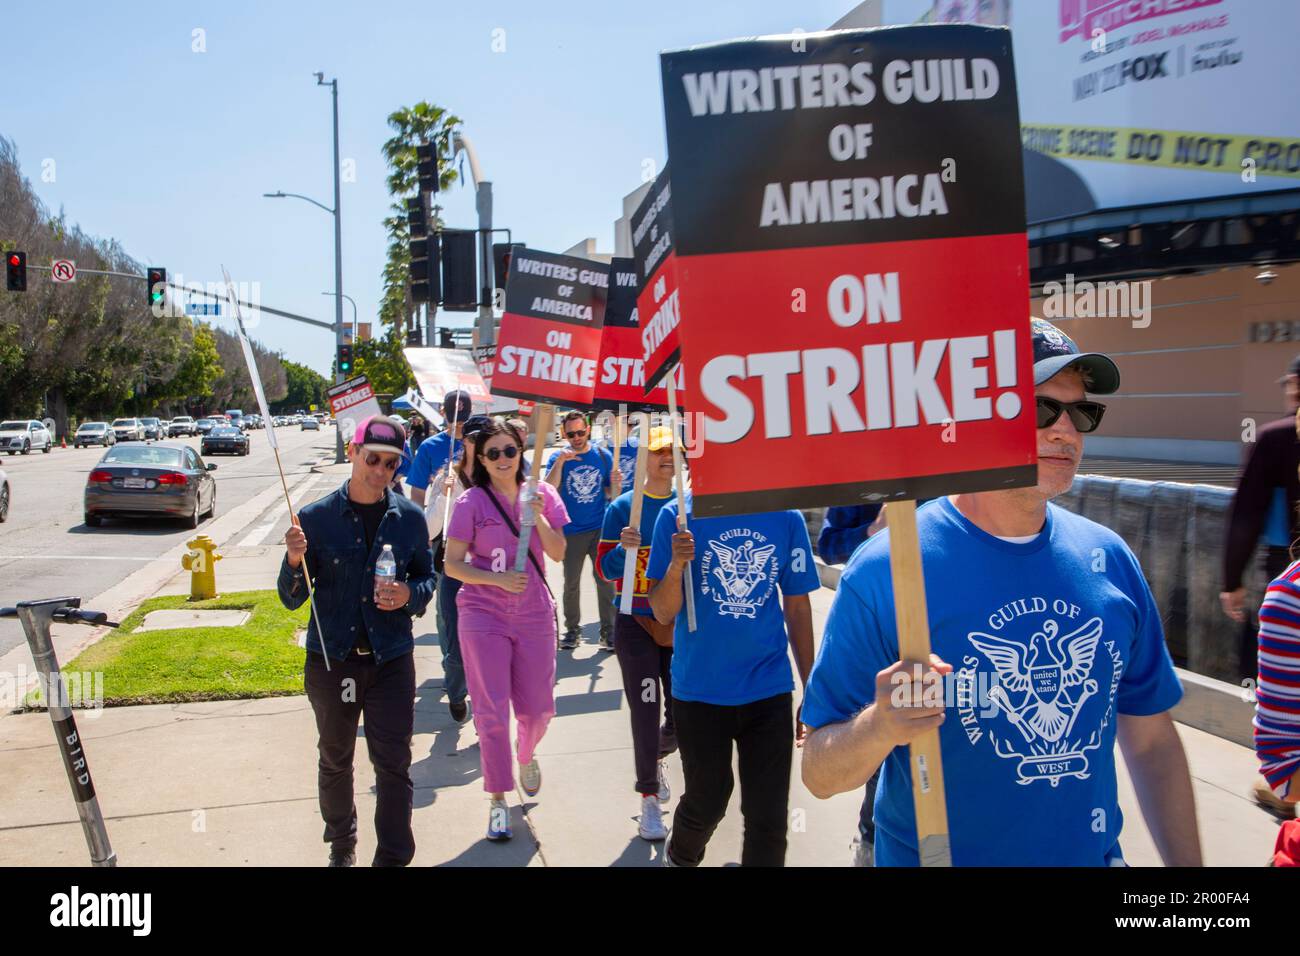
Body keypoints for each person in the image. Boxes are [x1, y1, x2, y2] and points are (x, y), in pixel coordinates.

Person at [800, 318, 1203, 867]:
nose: (1067, 431)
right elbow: (820, 774)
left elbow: (1153, 743)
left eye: (1081, 412)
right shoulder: (887, 569)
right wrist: (880, 725)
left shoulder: (1110, 559)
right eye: (1042, 409)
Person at [278, 414, 435, 867]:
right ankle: (342, 845)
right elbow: (291, 600)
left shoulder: (409, 519)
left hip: (390, 660)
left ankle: (392, 856)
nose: (380, 471)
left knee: (393, 764)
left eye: (391, 464)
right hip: (333, 661)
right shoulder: (315, 518)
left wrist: (409, 594)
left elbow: (426, 579)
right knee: (336, 759)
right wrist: (293, 560)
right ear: (352, 452)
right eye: (373, 459)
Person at [646, 487, 820, 867]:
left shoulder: (785, 515)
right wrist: (677, 564)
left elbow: (797, 606)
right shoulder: (676, 516)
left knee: (769, 817)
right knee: (707, 801)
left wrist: (814, 688)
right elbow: (661, 611)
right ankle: (680, 857)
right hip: (699, 691)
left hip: (768, 687)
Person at [444, 418, 570, 841]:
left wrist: (540, 518)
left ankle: (527, 752)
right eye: (493, 453)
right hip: (483, 615)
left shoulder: (543, 494)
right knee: (491, 710)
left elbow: (558, 553)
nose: (502, 459)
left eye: (509, 451)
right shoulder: (471, 503)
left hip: (534, 613)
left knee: (538, 708)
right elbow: (452, 564)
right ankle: (498, 799)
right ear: (480, 459)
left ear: (521, 452)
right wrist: (495, 580)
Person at [596, 425, 680, 841]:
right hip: (633, 621)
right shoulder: (623, 509)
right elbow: (602, 569)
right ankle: (649, 798)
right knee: (645, 711)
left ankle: (657, 753)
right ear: (644, 457)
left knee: (681, 714)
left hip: (678, 625)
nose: (668, 458)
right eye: (660, 451)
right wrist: (622, 551)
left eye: (673, 452)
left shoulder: (687, 508)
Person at [1222, 354, 1300, 684]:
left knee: (1272, 663)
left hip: (1288, 566)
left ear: (1294, 387)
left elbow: (1247, 514)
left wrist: (1232, 582)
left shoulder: (1276, 438)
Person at [425, 413, 494, 724]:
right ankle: (456, 692)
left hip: (491, 573)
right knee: (456, 647)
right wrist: (442, 497)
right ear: (464, 442)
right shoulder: (446, 478)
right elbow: (429, 529)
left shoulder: (499, 475)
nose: (478, 443)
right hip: (455, 572)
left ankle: (484, 709)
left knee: (490, 649)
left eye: (484, 437)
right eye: (472, 438)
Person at [546, 410, 619, 650]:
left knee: (605, 580)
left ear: (588, 429)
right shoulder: (559, 456)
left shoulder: (602, 455)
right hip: (572, 530)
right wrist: (559, 463)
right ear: (563, 434)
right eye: (571, 434)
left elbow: (609, 493)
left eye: (580, 432)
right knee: (571, 583)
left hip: (599, 527)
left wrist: (616, 484)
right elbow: (549, 489)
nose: (576, 438)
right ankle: (572, 631)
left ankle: (608, 632)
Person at [407, 390, 473, 510]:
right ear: (443, 413)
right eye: (454, 418)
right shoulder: (428, 446)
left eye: (464, 418)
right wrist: (418, 524)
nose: (459, 423)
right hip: (442, 517)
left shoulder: (483, 442)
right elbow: (418, 491)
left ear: (471, 413)